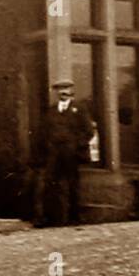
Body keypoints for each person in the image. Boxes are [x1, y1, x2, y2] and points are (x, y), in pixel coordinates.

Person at [39, 79, 94, 226]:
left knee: (72, 184)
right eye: (60, 89)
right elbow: (45, 131)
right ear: (56, 92)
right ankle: (51, 218)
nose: (63, 92)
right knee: (51, 183)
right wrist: (49, 145)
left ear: (71, 91)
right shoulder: (51, 110)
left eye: (66, 88)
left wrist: (76, 145)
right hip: (54, 153)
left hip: (71, 152)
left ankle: (74, 217)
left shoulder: (79, 108)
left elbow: (88, 131)